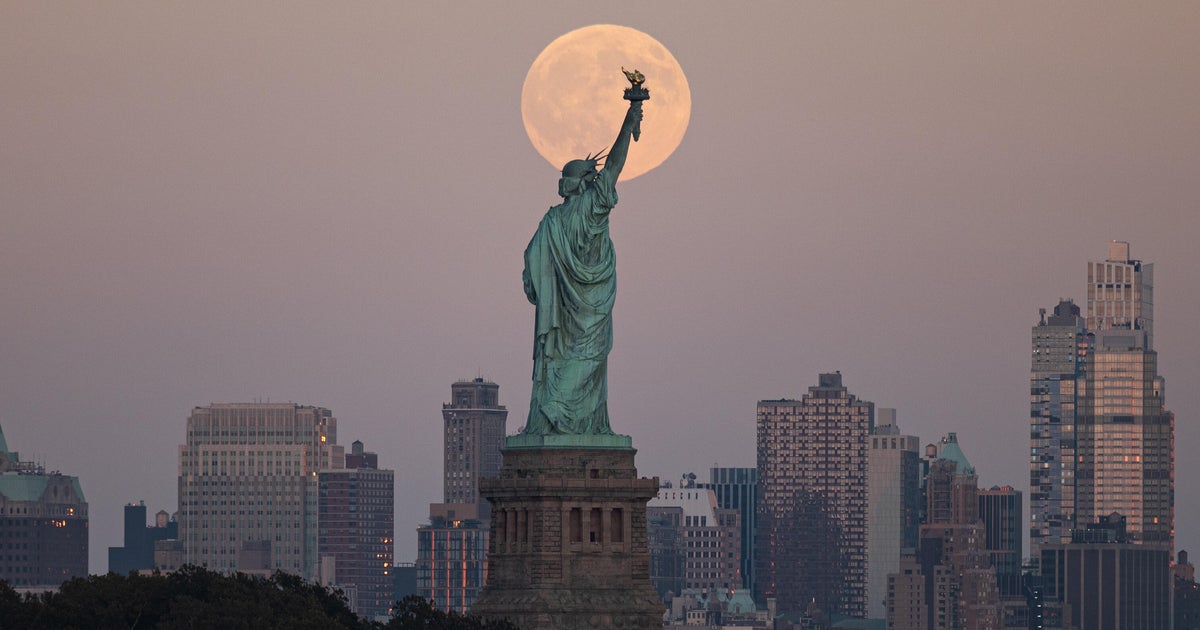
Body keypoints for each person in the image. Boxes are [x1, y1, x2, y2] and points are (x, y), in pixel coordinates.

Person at [521, 97, 643, 436]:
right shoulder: (593, 207)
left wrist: (545, 293)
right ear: (587, 181)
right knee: (589, 366)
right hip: (593, 310)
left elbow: (530, 269)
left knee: (562, 365)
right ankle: (576, 423)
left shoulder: (550, 221)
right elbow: (616, 164)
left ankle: (556, 418)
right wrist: (629, 119)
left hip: (561, 317)